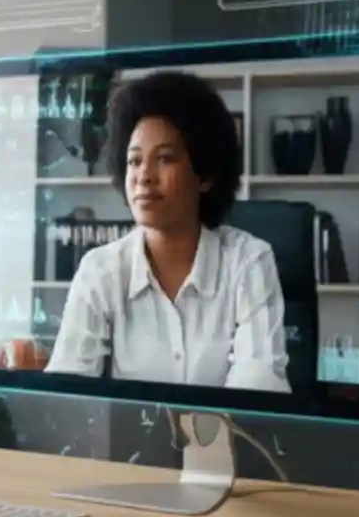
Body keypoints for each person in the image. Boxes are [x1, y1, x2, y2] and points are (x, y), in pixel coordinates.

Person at [44, 71, 290, 392]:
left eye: (164, 158)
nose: (144, 176)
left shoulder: (248, 262)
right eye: (134, 161)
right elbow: (67, 392)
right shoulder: (100, 270)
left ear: (204, 175)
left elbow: (259, 388)